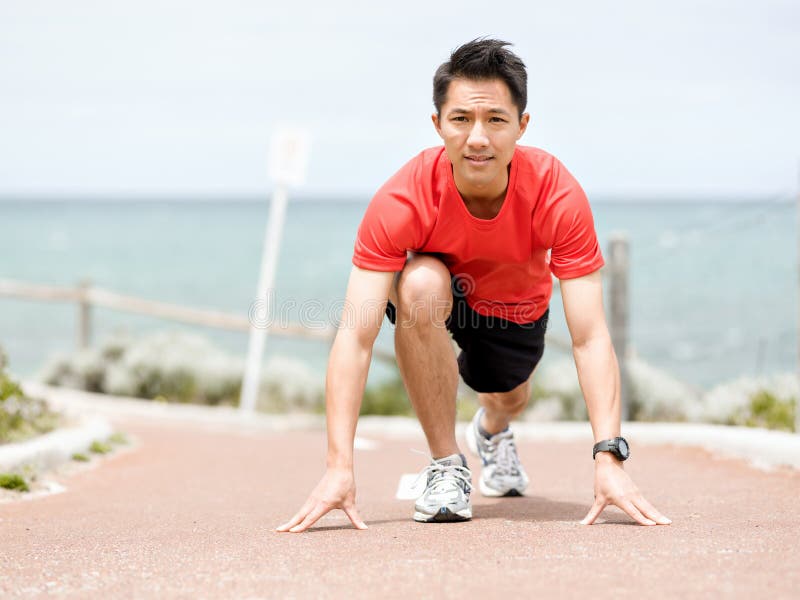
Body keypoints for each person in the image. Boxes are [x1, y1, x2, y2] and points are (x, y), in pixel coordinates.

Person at [277, 38, 670, 532]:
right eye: (461, 119)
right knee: (420, 285)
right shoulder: (401, 199)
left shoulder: (557, 194)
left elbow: (590, 338)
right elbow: (354, 338)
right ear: (438, 124)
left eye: (496, 121)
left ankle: (492, 430)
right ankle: (446, 465)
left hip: (513, 309)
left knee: (508, 397)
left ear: (521, 126)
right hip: (439, 290)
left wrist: (608, 459)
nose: (477, 138)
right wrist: (339, 467)